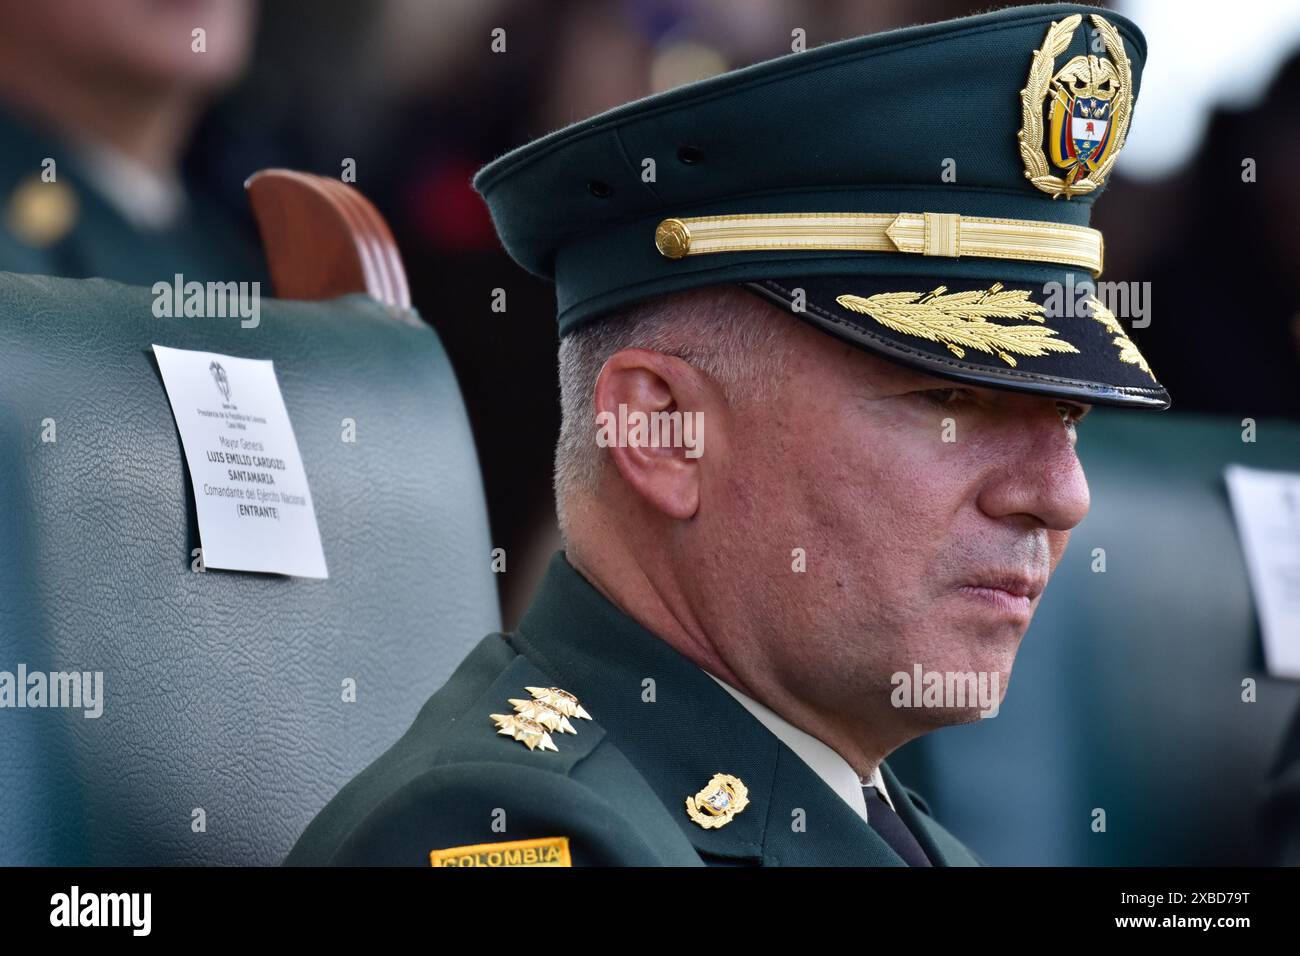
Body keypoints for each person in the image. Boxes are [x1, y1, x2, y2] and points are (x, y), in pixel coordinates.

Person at [285, 2, 1167, 867]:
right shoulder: (505, 834)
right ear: (663, 431)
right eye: (953, 403)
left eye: (1066, 414)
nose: (1062, 496)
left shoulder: (889, 825)